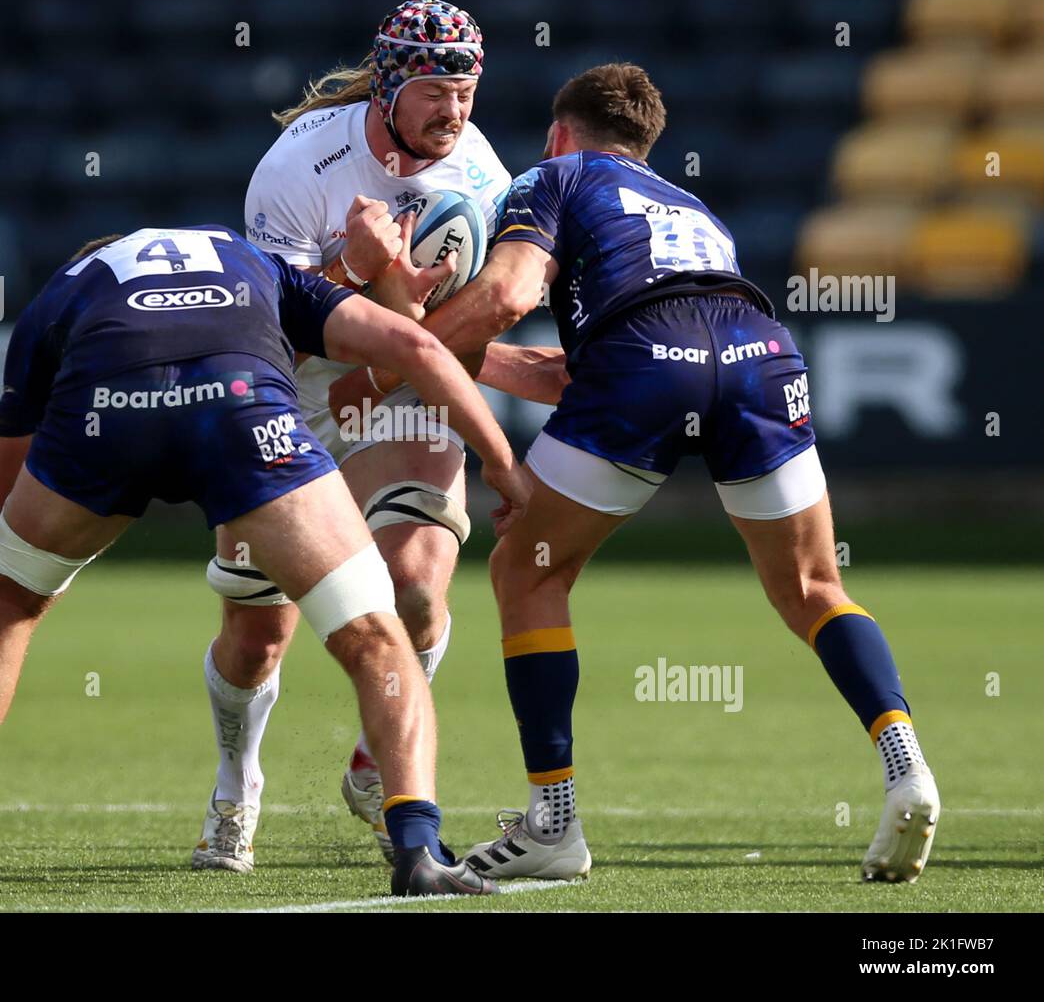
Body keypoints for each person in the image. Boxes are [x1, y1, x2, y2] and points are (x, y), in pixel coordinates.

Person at [357, 62, 940, 884]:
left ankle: (553, 823)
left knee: (528, 571)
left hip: (644, 361)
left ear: (561, 134)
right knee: (814, 587)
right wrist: (460, 357)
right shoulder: (690, 205)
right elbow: (561, 362)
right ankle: (907, 764)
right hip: (758, 350)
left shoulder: (553, 175)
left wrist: (393, 349)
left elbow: (505, 295)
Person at [0, 225, 529, 897]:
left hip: (109, 412)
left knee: (5, 606)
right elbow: (413, 345)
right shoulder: (256, 262)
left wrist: (25, 569)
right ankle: (416, 850)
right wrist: (501, 463)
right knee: (375, 637)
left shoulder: (63, 291)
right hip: (241, 413)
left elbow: (1, 491)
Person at [194, 0, 563, 870]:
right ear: (390, 87)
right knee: (258, 635)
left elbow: (459, 322)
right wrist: (351, 269)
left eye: (468, 90)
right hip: (291, 393)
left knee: (417, 584)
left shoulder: (478, 169)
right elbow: (263, 322)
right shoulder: (298, 166)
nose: (456, 111)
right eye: (437, 90)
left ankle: (376, 758)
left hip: (399, 392)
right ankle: (235, 779)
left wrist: (482, 362)